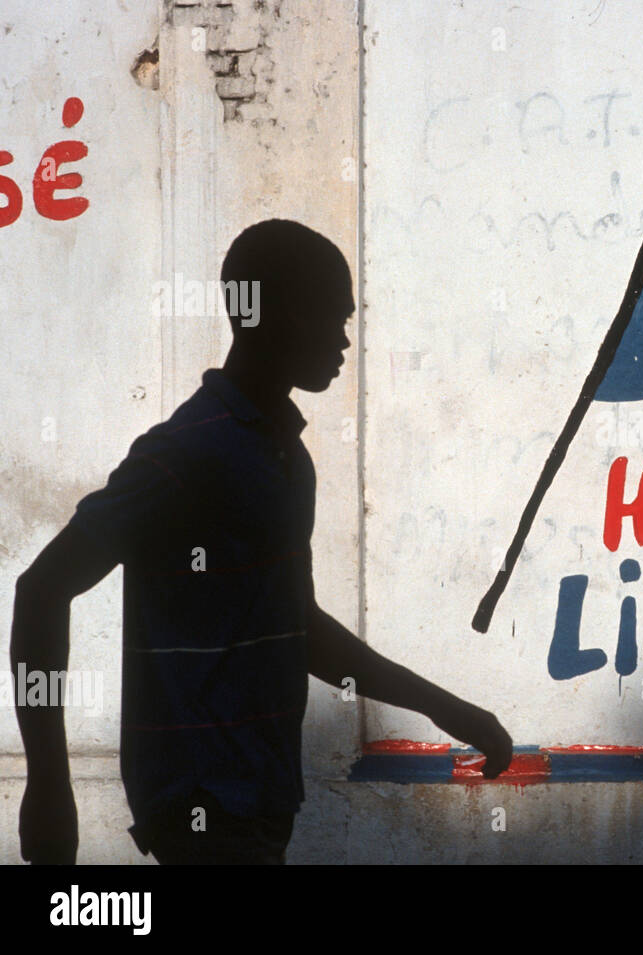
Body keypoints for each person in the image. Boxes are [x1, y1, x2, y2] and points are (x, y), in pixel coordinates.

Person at [10, 218, 512, 864]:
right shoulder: (188, 452)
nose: (343, 340)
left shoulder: (280, 455)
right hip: (202, 803)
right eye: (330, 317)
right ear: (271, 315)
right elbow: (43, 587)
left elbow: (298, 628)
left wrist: (448, 709)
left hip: (258, 797)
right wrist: (49, 782)